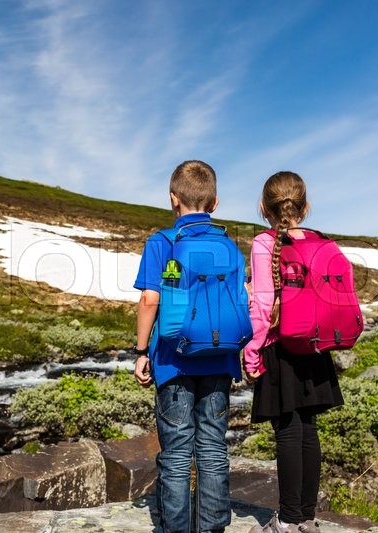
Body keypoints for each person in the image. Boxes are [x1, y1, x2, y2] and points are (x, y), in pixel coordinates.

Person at [133, 160, 245, 533]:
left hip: (173, 360)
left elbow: (151, 299)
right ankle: (213, 528)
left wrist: (140, 352)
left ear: (173, 199)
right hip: (220, 359)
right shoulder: (229, 246)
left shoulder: (162, 243)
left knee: (177, 454)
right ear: (214, 203)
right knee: (213, 448)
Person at [244, 171, 344, 533]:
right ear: (306, 206)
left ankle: (285, 522)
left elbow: (262, 305)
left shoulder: (263, 243)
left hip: (280, 346)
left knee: (287, 431)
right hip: (316, 348)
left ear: (263, 208)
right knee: (309, 430)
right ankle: (306, 518)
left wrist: (252, 353)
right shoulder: (321, 242)